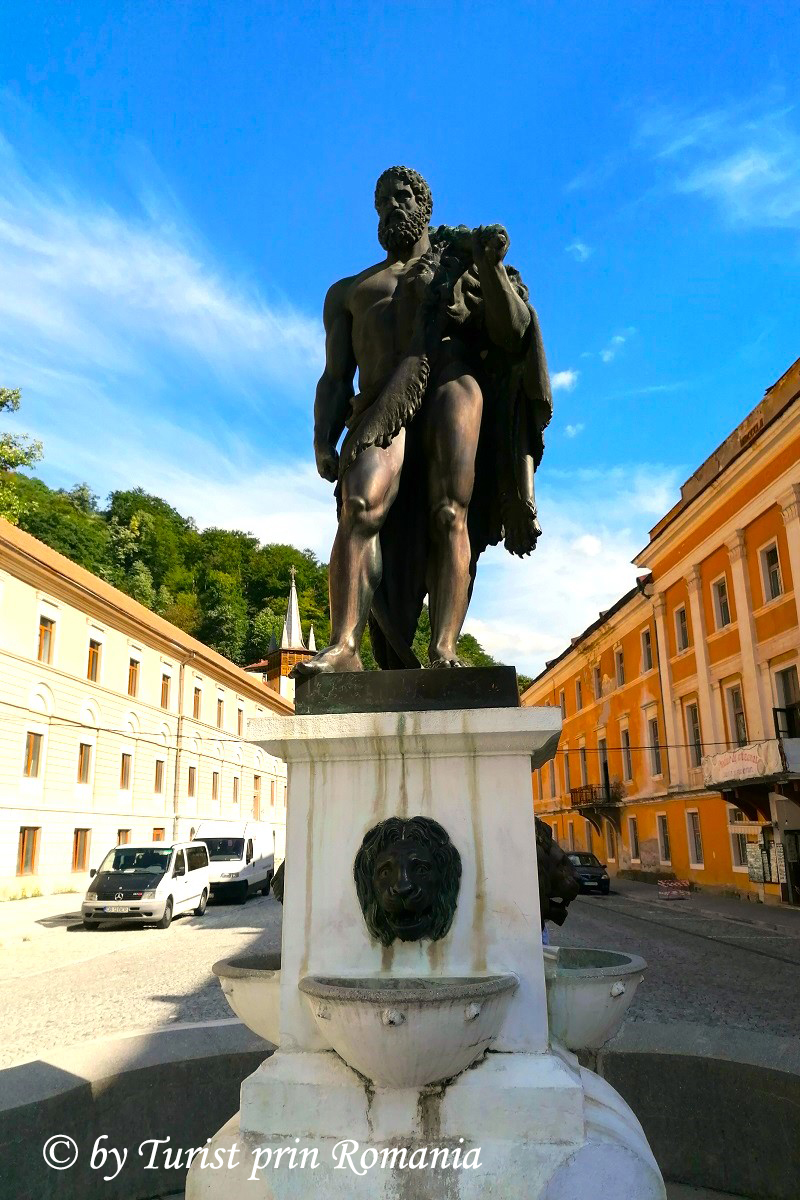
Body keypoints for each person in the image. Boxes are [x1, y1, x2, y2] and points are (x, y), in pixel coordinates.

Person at [294, 166, 552, 674]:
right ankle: (344, 646)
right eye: (382, 201)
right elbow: (334, 376)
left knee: (450, 511)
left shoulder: (459, 263)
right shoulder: (349, 292)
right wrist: (323, 439)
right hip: (378, 403)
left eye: (403, 196)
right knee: (361, 504)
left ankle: (444, 650)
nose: (392, 206)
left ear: (425, 206)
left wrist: (491, 266)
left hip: (451, 384)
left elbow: (513, 332)